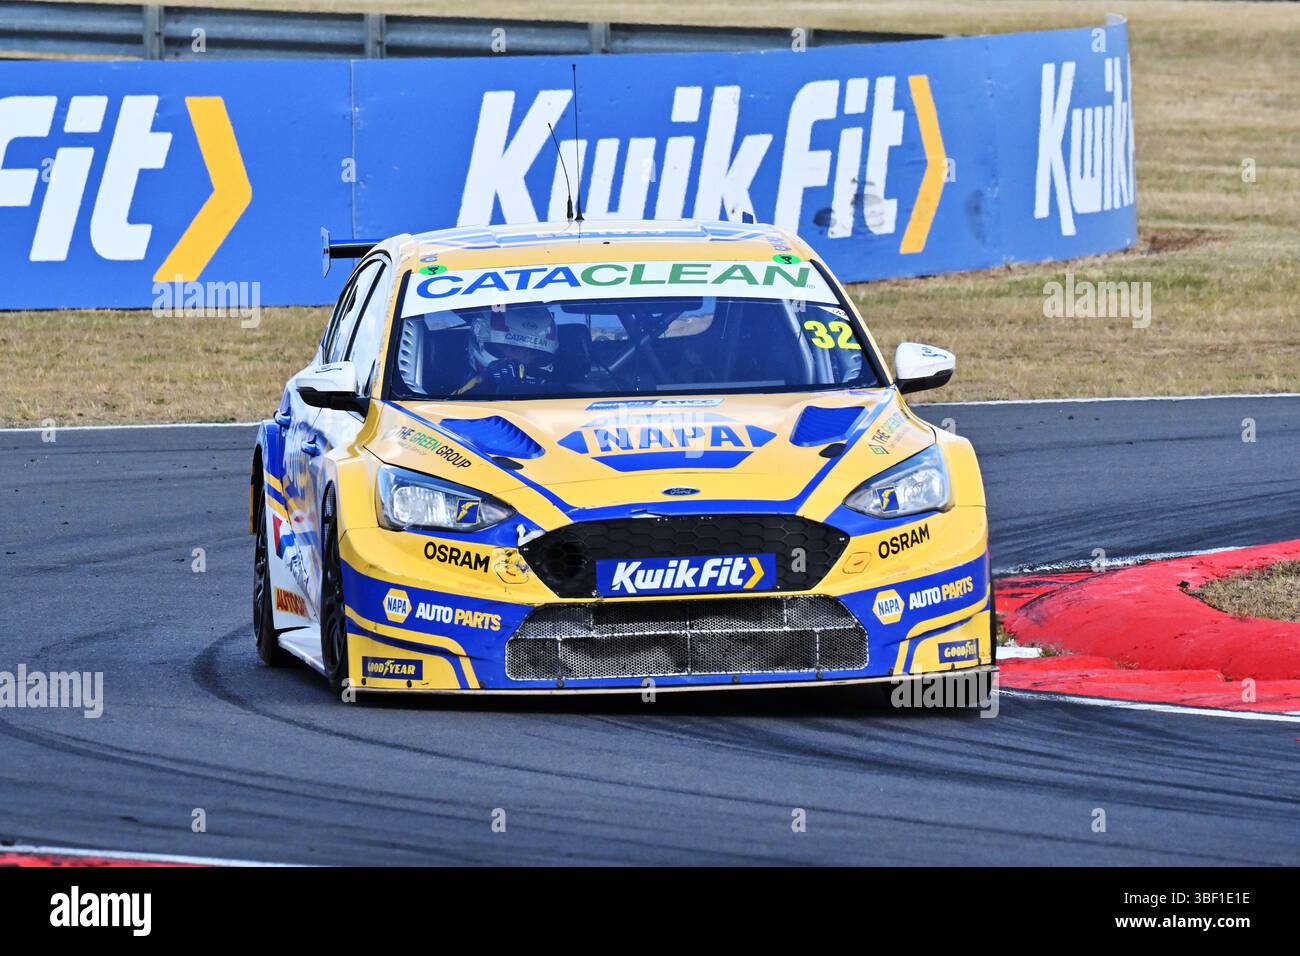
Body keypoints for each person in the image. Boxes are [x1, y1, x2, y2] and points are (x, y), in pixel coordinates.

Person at [455, 304, 559, 396]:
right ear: (479, 344)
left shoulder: (561, 392)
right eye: (512, 349)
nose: (525, 361)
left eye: (534, 352)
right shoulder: (448, 384)